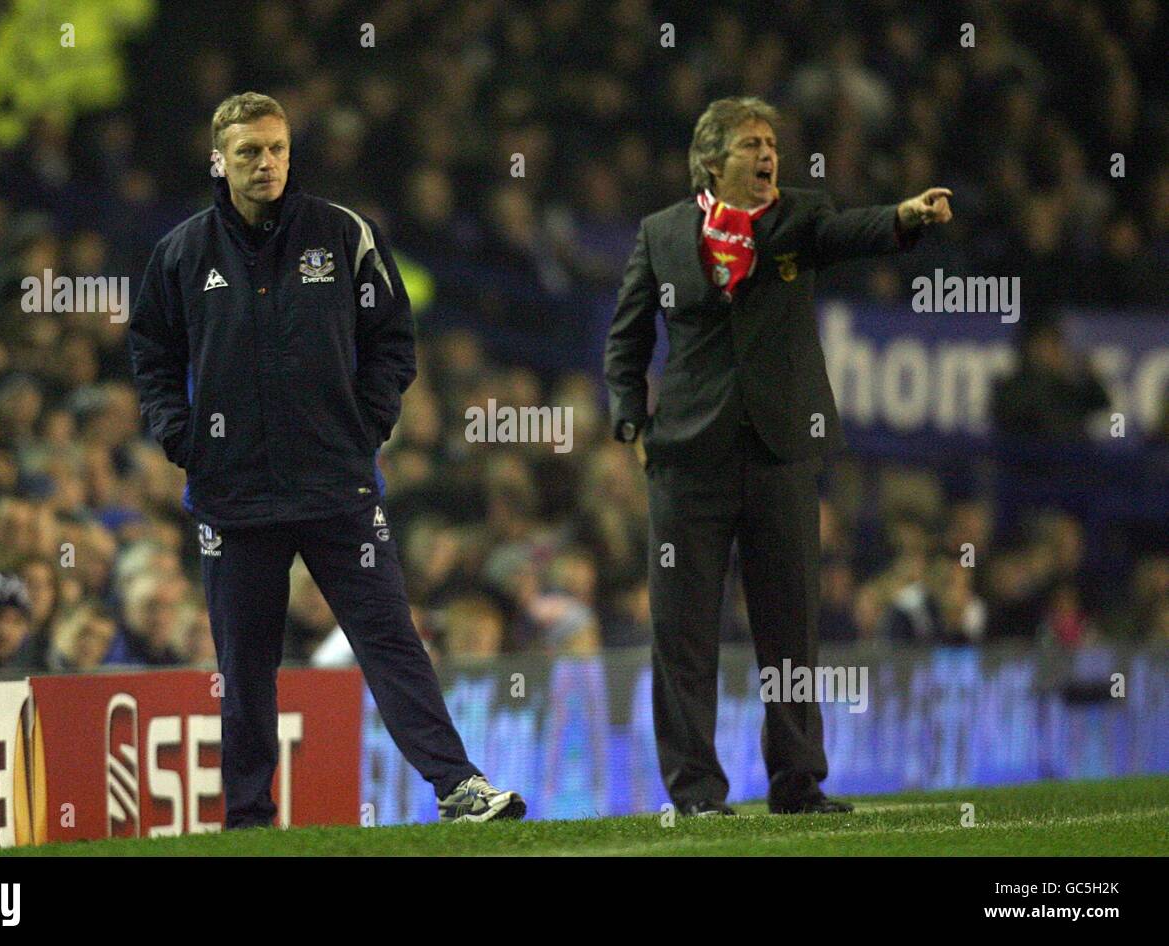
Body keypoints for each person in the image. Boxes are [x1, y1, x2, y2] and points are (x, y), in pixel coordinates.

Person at [129, 92, 523, 828]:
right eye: (249, 151)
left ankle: (457, 786)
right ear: (219, 161)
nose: (266, 163)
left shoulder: (343, 235)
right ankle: (247, 818)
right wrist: (179, 435)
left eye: (276, 148)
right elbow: (150, 351)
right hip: (233, 495)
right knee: (245, 668)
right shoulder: (182, 253)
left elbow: (394, 340)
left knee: (390, 640)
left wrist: (365, 424)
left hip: (337, 485)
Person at [604, 96, 953, 815]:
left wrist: (905, 216)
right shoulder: (662, 234)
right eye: (752, 144)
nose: (768, 155)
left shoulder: (799, 218)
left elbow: (849, 231)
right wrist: (632, 425)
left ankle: (797, 782)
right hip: (688, 463)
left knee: (791, 626)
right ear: (712, 160)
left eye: (772, 143)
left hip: (781, 454)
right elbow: (627, 341)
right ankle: (697, 793)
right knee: (684, 634)